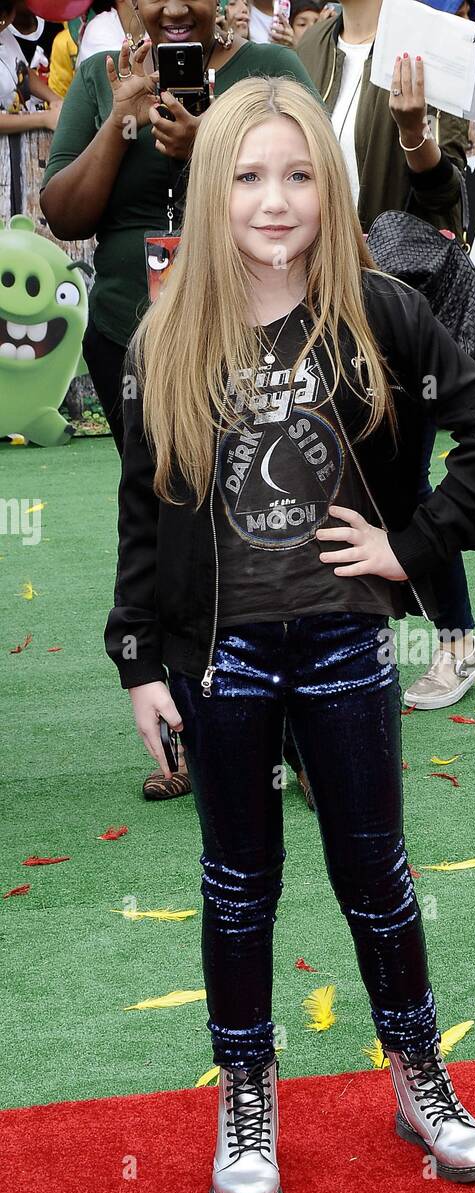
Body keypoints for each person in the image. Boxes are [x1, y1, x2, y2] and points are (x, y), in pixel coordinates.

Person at [104, 76, 475, 1193]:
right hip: (221, 658)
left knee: (376, 877)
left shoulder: (380, 315)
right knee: (237, 884)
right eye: (247, 176)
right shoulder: (165, 339)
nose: (274, 199)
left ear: (329, 191)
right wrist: (140, 660)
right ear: (209, 192)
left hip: (344, 646)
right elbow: (143, 509)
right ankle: (248, 1088)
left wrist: (413, 543)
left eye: (298, 175)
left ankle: (417, 1077)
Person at [40, 0, 318, 798]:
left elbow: (319, 189)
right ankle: (198, 730)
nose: (170, 7)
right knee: (174, 526)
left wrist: (215, 148)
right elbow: (65, 212)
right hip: (139, 341)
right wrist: (119, 118)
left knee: (271, 520)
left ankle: (305, 728)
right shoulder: (102, 78)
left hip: (257, 336)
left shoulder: (273, 72)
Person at [299, 0, 475, 710]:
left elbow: (447, 205)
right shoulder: (310, 41)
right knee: (318, 472)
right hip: (304, 296)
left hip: (390, 302)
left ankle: (457, 641)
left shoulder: (437, 39)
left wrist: (414, 136)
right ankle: (336, 643)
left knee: (400, 485)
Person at [0, 0, 62, 132]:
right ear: (5, 15)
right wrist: (42, 119)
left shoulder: (4, 33)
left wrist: (55, 99)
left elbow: (22, 70)